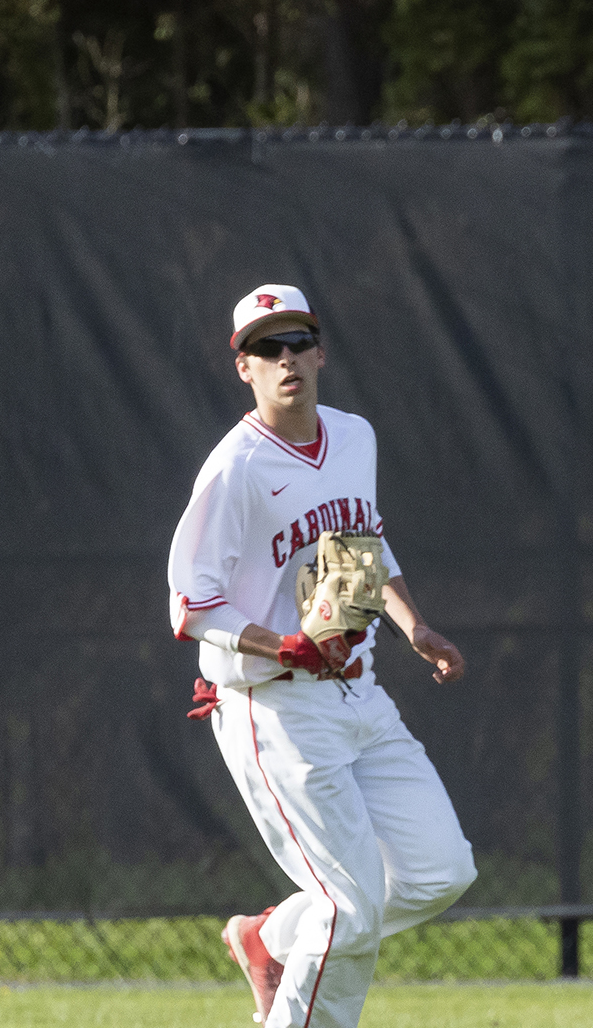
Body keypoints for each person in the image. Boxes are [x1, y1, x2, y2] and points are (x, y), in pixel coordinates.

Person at [167, 285, 477, 1028]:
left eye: (295, 341)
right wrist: (285, 646)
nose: (284, 359)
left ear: (320, 351)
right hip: (271, 706)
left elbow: (361, 541)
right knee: (350, 908)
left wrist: (412, 624)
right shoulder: (235, 469)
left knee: (439, 872)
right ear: (243, 367)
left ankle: (271, 938)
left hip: (356, 693)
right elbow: (189, 601)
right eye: (264, 348)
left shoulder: (354, 437)